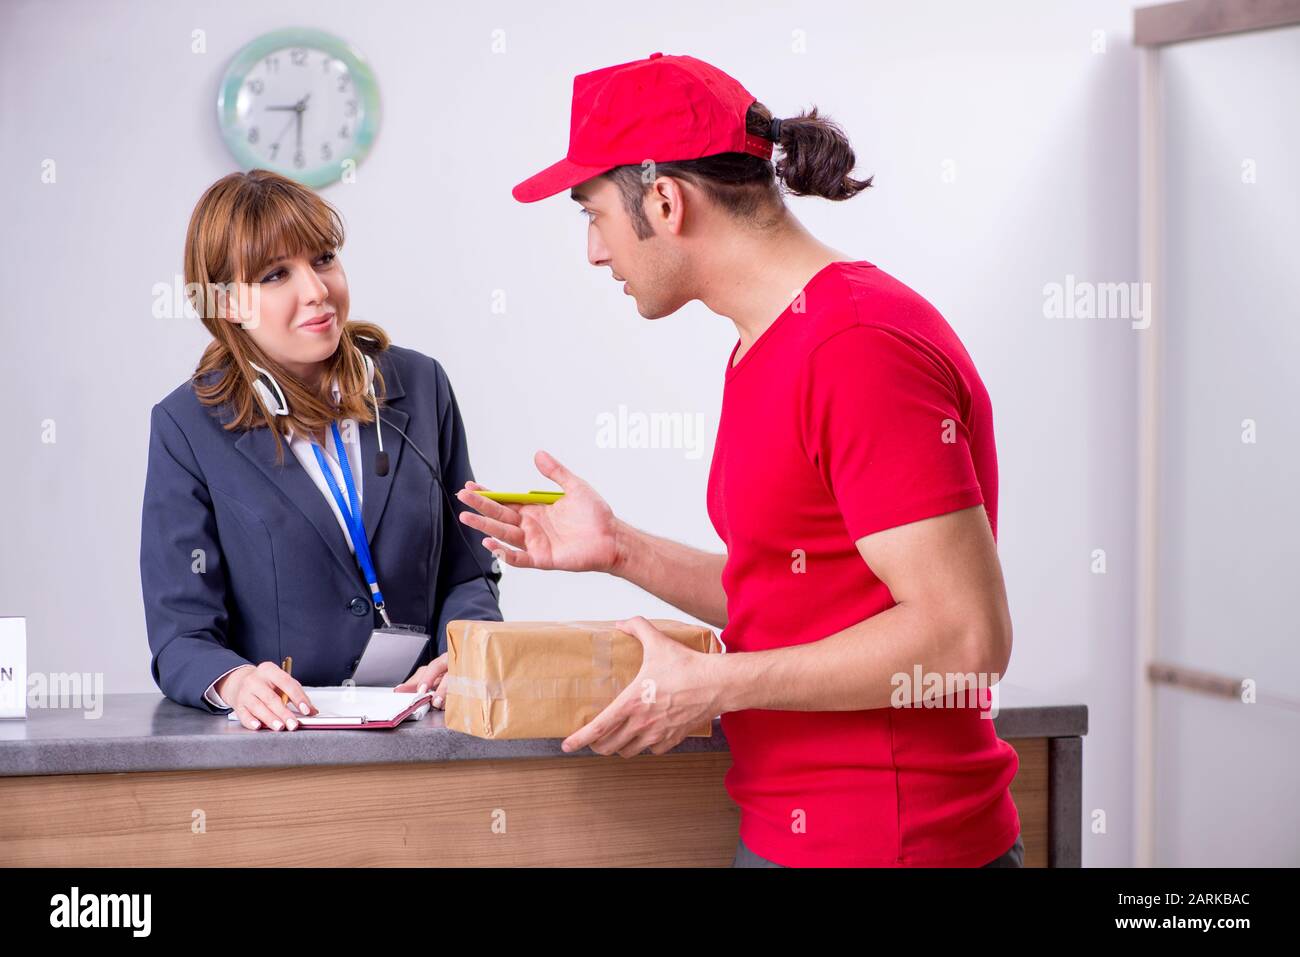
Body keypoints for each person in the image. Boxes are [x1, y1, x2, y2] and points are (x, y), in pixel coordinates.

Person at [457, 53, 1022, 867]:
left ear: (663, 200)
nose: (592, 252)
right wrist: (621, 547)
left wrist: (715, 683)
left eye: (593, 215)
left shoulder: (855, 345)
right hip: (796, 834)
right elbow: (798, 595)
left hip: (892, 844)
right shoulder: (767, 344)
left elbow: (966, 637)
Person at [141, 169, 500, 731]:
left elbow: (468, 571)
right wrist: (234, 682)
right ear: (228, 302)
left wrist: (468, 653)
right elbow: (181, 633)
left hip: (429, 728)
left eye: (324, 258)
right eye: (277, 274)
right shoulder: (187, 426)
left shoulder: (421, 384)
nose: (316, 290)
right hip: (285, 746)